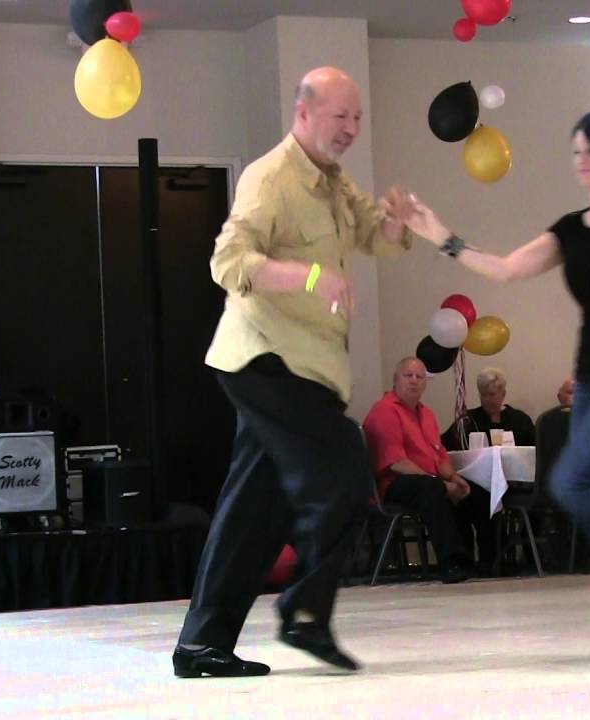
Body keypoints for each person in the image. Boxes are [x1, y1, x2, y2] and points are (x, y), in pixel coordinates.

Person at [398, 108, 590, 660]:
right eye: (575, 151)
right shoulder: (570, 230)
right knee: (583, 485)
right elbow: (508, 267)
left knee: (570, 481)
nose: (581, 161)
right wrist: (441, 237)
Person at [174, 67, 419, 679]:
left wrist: (396, 220)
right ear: (304, 114)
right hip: (263, 357)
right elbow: (228, 261)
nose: (352, 129)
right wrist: (309, 277)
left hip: (304, 366)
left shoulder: (334, 183)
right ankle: (306, 611)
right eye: (341, 117)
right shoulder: (270, 177)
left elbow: (376, 238)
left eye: (357, 118)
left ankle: (202, 644)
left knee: (254, 506)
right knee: (343, 465)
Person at [363, 357, 482, 578]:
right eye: (408, 376)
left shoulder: (426, 414)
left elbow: (440, 457)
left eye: (419, 377)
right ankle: (451, 562)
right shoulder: (384, 411)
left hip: (427, 480)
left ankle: (481, 560)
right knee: (431, 488)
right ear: (395, 380)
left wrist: (453, 479)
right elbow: (397, 463)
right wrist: (440, 482)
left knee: (472, 488)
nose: (414, 381)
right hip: (392, 485)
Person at [442, 367, 536, 450]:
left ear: (503, 394)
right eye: (483, 395)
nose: (487, 399)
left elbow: (536, 450)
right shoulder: (469, 421)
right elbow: (442, 446)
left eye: (491, 394)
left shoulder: (520, 421)